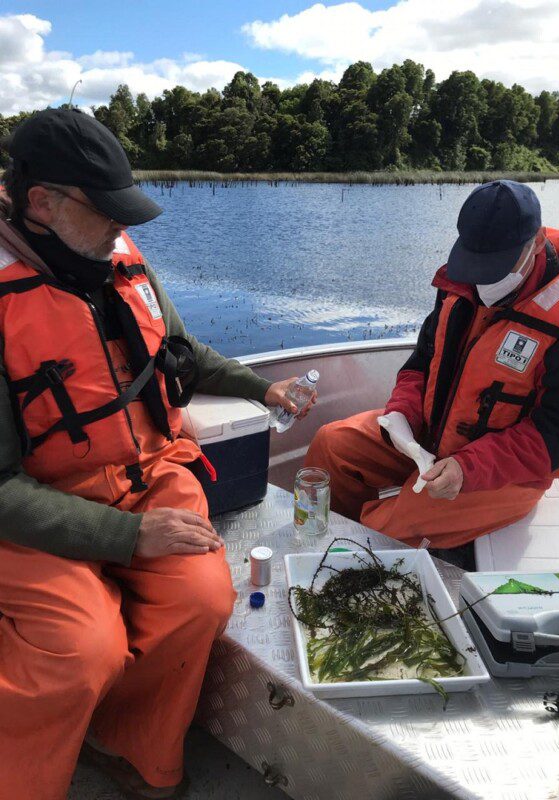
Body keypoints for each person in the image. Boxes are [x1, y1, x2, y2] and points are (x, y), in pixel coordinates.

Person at [0, 109, 313, 800]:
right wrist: (129, 536)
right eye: (107, 211)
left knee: (203, 596)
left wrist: (264, 389)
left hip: (148, 473)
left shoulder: (115, 255)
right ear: (41, 203)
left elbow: (179, 354)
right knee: (82, 651)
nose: (124, 227)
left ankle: (127, 745)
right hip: (30, 512)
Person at [306, 180, 559, 568]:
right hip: (429, 440)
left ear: (536, 240)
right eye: (475, 265)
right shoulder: (459, 279)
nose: (483, 280)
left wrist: (468, 467)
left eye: (496, 266)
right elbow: (422, 363)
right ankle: (316, 556)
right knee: (332, 445)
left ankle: (348, 568)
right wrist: (401, 414)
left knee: (389, 526)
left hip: (505, 472)